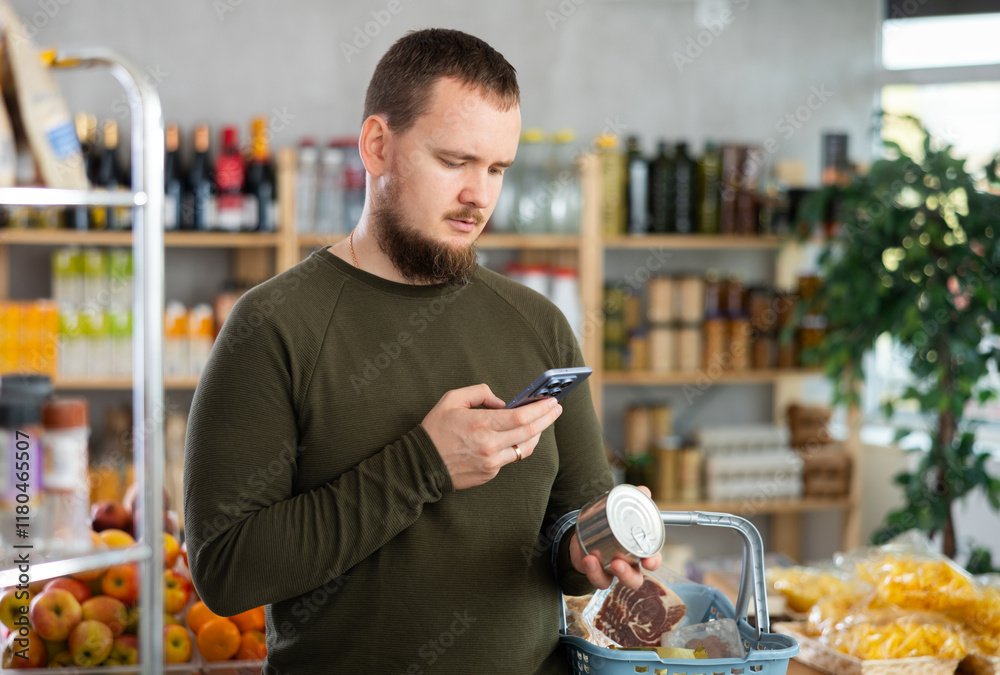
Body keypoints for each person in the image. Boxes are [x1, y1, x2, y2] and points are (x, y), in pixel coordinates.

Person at [184, 28, 660, 674]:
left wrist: (589, 548)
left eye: (497, 169)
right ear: (377, 146)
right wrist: (425, 462)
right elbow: (226, 566)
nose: (480, 196)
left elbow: (566, 534)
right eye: (455, 161)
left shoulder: (539, 324)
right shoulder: (272, 326)